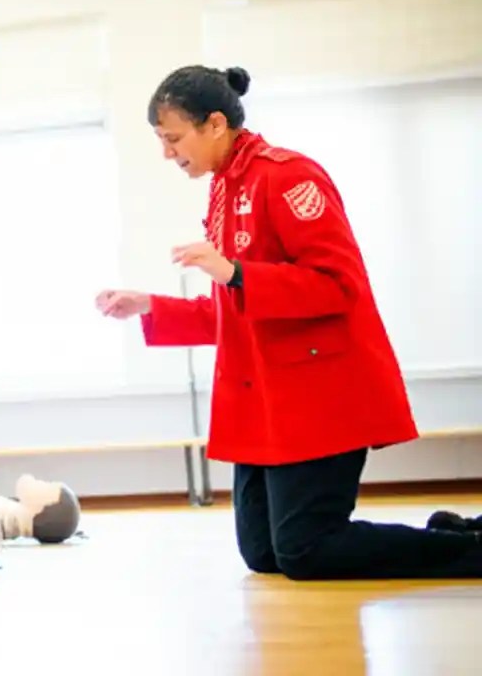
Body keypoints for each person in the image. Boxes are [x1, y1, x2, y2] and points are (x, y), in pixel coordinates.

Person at [96, 66, 482, 580]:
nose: (168, 152)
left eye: (173, 138)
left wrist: (234, 272)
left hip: (320, 395)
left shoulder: (288, 175)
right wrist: (150, 305)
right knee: (265, 555)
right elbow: (238, 309)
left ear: (214, 124)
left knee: (306, 551)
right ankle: (454, 534)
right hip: (266, 402)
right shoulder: (222, 192)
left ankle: (466, 552)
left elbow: (338, 286)